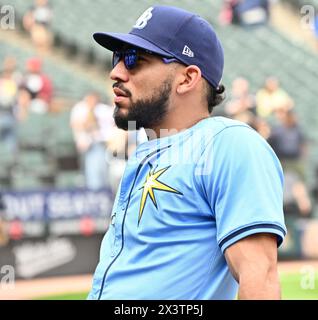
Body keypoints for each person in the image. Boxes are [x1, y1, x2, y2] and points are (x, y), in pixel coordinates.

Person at [88, 5, 286, 300]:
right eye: (118, 58)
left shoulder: (227, 143)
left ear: (188, 78)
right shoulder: (147, 152)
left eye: (134, 59)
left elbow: (260, 280)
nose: (116, 72)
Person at [70, 92, 115, 190]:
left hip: (102, 144)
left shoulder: (102, 109)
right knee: (91, 172)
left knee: (102, 171)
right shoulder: (80, 108)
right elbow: (77, 125)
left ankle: (102, 190)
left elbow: (113, 122)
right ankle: (93, 189)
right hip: (86, 145)